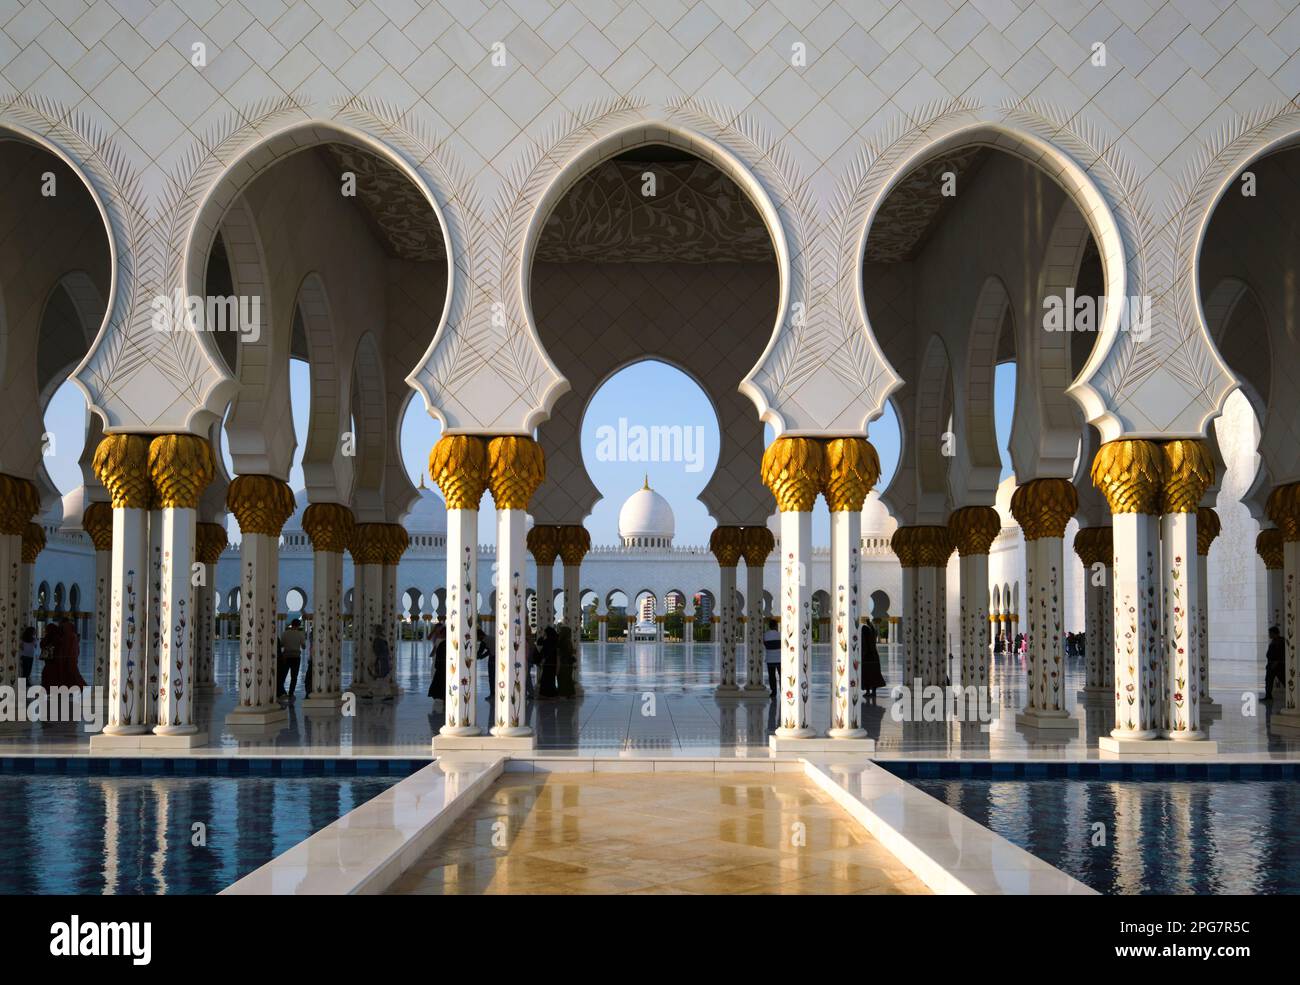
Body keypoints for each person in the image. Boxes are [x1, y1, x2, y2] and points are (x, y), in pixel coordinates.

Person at [42, 618, 86, 688]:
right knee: (70, 674)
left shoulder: (63, 635)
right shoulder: (71, 635)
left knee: (66, 674)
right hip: (66, 658)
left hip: (63, 659)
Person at [277, 618, 306, 699]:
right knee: (294, 676)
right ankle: (291, 693)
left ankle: (281, 691)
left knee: (283, 676)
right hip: (296, 657)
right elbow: (304, 647)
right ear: (299, 625)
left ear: (291, 624)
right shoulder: (300, 634)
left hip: (286, 657)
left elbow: (281, 645)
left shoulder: (285, 633)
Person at [860, 620, 886, 700]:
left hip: (867, 657)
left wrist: (862, 654)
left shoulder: (864, 629)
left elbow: (864, 644)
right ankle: (873, 692)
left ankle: (868, 691)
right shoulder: (872, 629)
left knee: (867, 674)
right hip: (874, 656)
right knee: (874, 674)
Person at [428, 622, 447, 713]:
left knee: (437, 676)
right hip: (438, 660)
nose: (439, 631)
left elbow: (435, 649)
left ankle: (440, 694)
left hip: (439, 661)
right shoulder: (438, 638)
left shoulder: (440, 639)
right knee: (436, 676)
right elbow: (434, 648)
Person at [1264, 625, 1285, 701]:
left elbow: (1282, 654)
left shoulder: (1281, 641)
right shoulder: (1274, 641)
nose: (1269, 635)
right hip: (1271, 665)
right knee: (1268, 681)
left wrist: (1277, 662)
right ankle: (1268, 696)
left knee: (1284, 679)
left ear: (1274, 633)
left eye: (1270, 633)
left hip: (1278, 666)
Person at [537, 626, 559, 698]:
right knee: (551, 678)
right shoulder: (555, 640)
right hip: (553, 662)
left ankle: (546, 693)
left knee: (546, 678)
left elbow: (539, 642)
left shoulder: (547, 641)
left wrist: (542, 636)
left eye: (545, 633)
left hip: (548, 662)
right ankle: (551, 693)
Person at [556, 625, 577, 697]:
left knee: (562, 679)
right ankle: (570, 693)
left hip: (563, 663)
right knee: (568, 679)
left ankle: (563, 694)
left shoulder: (562, 641)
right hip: (568, 663)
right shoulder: (569, 641)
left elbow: (560, 652)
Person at [372, 626, 392, 699]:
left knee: (381, 677)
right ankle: (371, 692)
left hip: (381, 660)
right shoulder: (384, 640)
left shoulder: (378, 640)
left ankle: (387, 694)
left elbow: (376, 651)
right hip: (384, 660)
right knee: (381, 677)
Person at [763, 618, 781, 695]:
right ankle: (782, 691)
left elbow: (764, 644)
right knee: (782, 676)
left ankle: (773, 692)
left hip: (769, 659)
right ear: (776, 626)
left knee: (771, 676)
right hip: (779, 659)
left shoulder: (765, 635)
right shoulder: (780, 635)